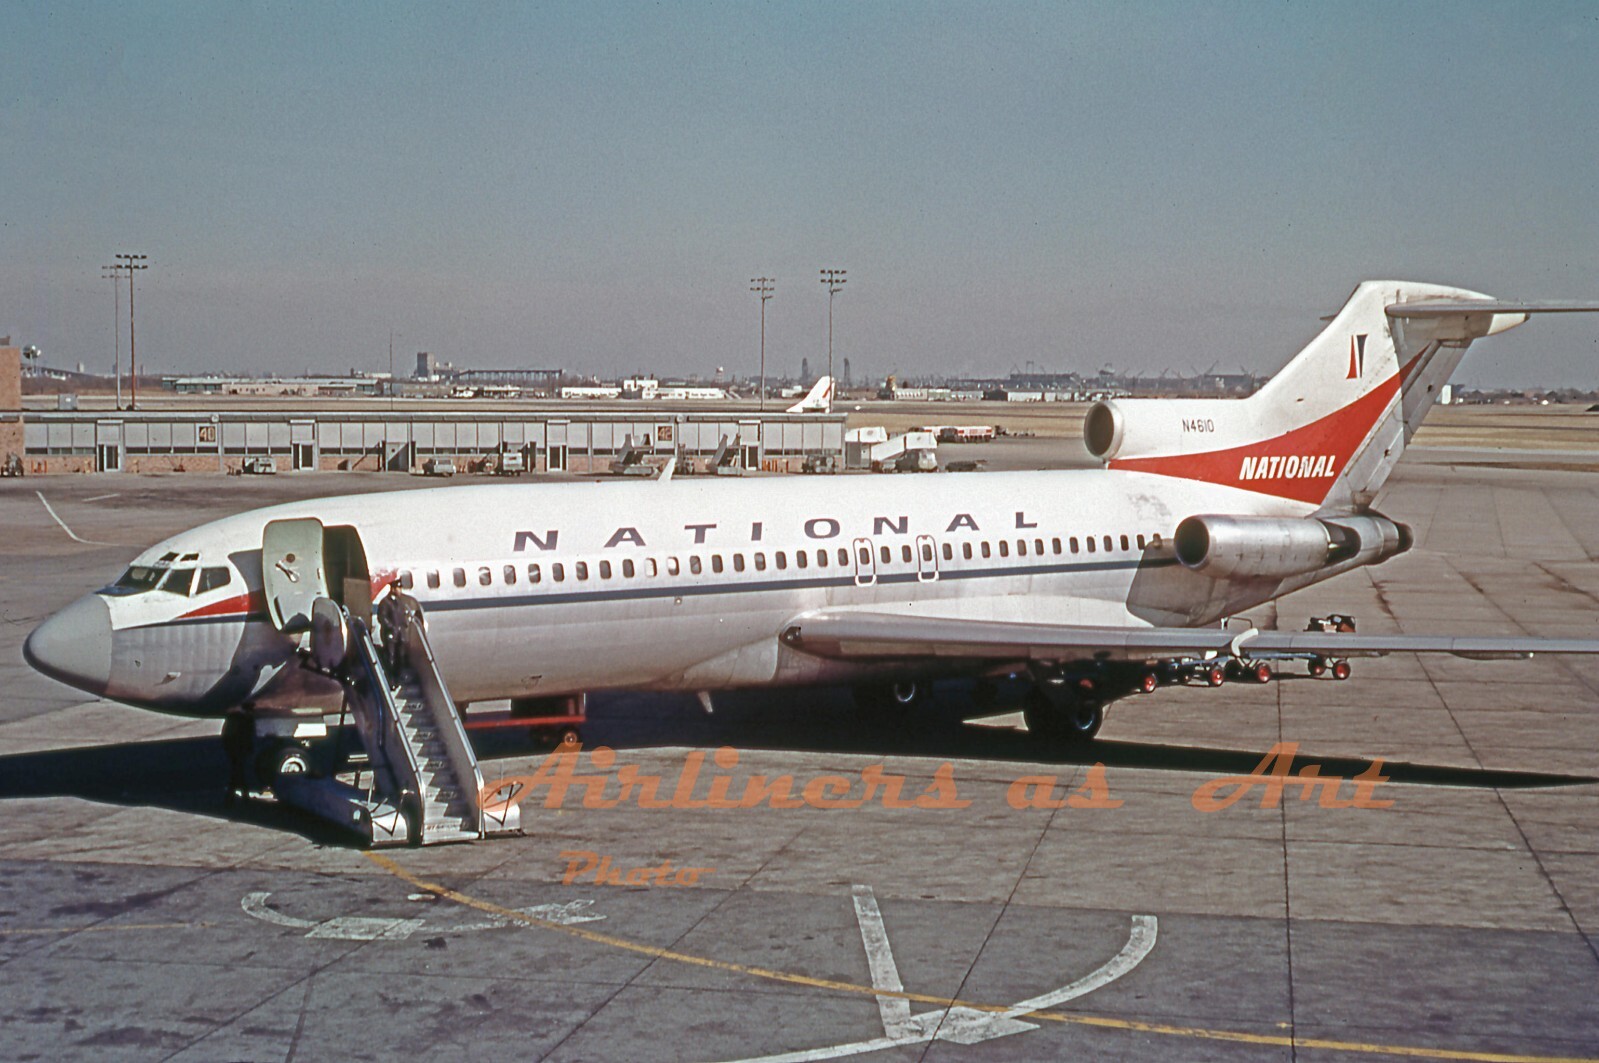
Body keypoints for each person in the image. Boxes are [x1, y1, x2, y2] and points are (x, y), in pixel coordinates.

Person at [221, 704, 255, 806]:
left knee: (238, 772)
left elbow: (226, 735)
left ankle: (238, 796)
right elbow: (247, 736)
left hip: (232, 749)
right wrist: (249, 748)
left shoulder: (233, 718)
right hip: (239, 749)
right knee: (238, 772)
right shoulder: (247, 720)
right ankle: (234, 797)